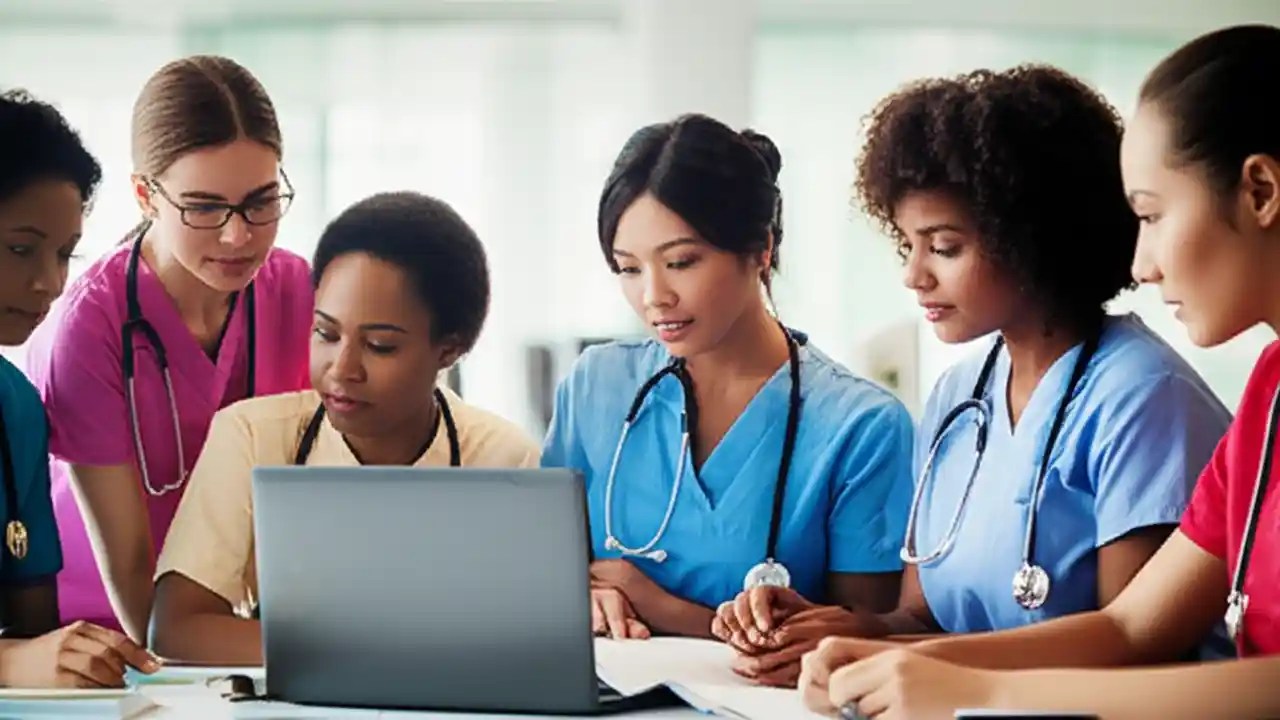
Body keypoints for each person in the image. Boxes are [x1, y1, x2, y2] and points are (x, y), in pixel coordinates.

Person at [799, 25, 1280, 720]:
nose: (1142, 265)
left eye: (1150, 214)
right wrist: (889, 659)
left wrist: (976, 692)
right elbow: (1132, 624)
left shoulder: (1145, 391)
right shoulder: (1268, 392)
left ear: (1261, 191)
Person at [714, 65, 1233, 688]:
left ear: (1032, 238)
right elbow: (922, 616)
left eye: (944, 246)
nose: (914, 275)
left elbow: (1134, 649)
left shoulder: (1145, 398)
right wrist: (840, 629)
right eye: (907, 244)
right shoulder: (958, 397)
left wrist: (907, 658)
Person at [541, 113, 915, 642]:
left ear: (760, 249)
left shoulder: (862, 427)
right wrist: (588, 593)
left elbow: (853, 642)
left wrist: (652, 602)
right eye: (628, 268)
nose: (654, 296)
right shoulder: (596, 387)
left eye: (682, 261)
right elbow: (545, 571)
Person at [151, 191, 540, 665]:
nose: (342, 369)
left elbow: (525, 639)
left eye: (379, 345)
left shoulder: (505, 460)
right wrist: (380, 653)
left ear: (448, 350)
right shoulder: (252, 435)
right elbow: (177, 629)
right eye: (326, 334)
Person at [22, 56, 314, 642]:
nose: (238, 236)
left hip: (247, 625)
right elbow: (131, 571)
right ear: (145, 196)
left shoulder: (297, 291)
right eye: (203, 207)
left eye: (261, 201)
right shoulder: (91, 324)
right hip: (107, 633)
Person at [0, 89, 158, 687]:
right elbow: (19, 658)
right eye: (21, 249)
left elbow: (34, 632)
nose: (48, 283)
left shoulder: (16, 409)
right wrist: (10, 665)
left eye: (65, 254)